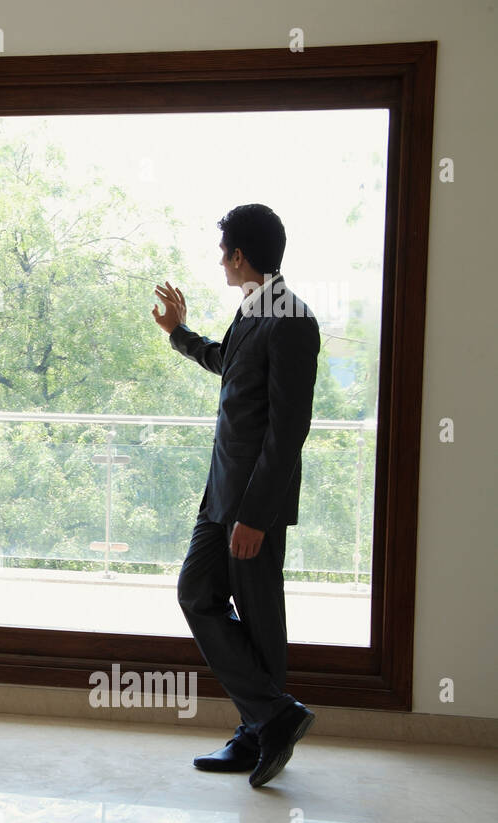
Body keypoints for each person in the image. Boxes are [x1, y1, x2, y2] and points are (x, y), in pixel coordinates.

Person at [150, 203, 320, 788]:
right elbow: (228, 365)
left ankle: (259, 732)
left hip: (251, 505)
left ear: (239, 255)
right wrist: (180, 335)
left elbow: (288, 429)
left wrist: (255, 515)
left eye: (223, 251)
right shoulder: (255, 311)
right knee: (197, 592)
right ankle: (272, 717)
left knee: (259, 614)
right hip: (220, 495)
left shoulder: (290, 318)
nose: (220, 261)